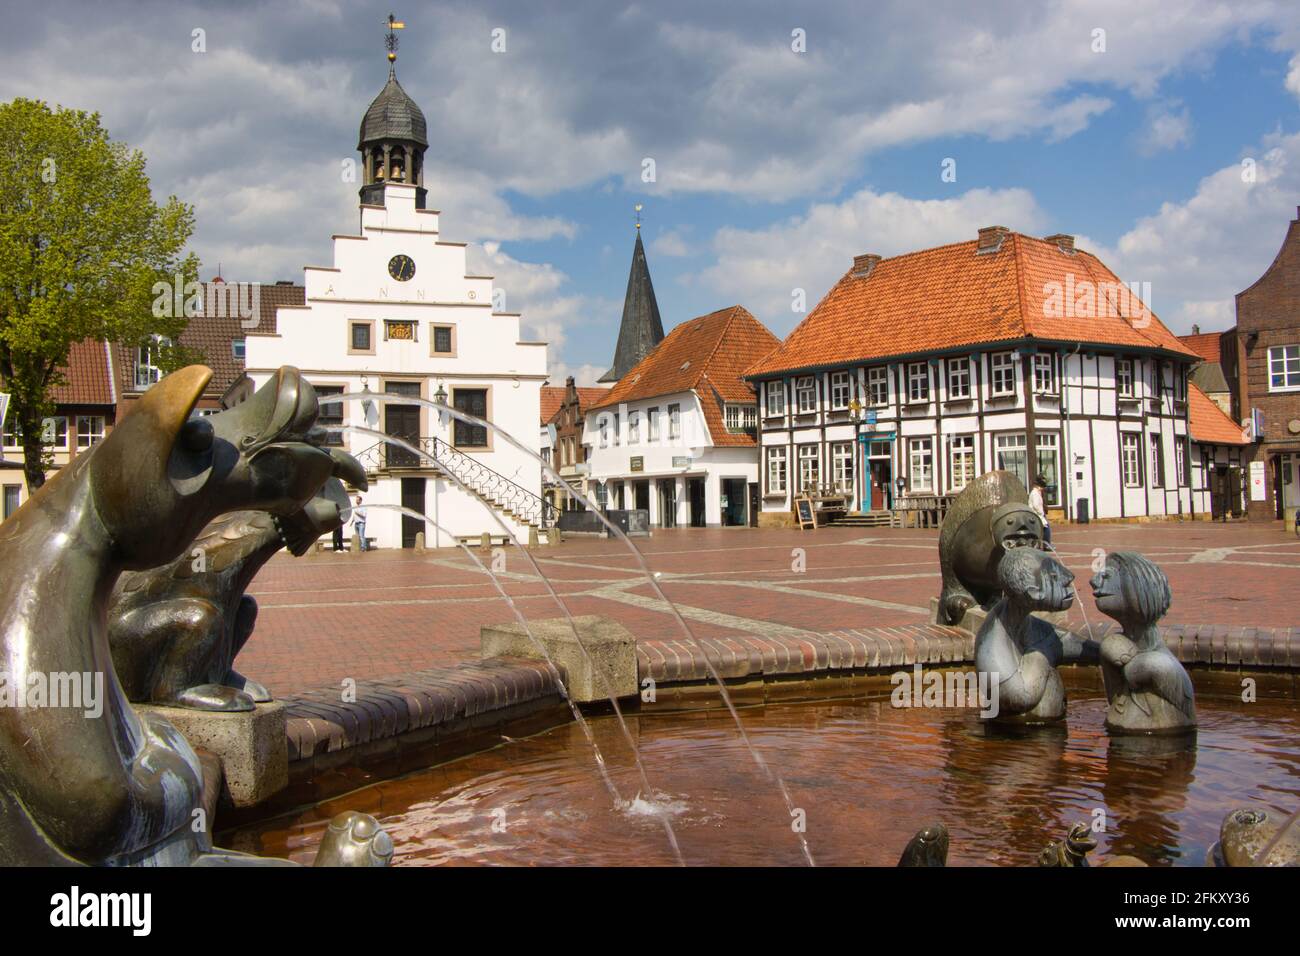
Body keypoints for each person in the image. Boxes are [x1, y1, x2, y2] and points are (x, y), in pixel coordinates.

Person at [1029, 474, 1051, 545]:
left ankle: (1045, 544)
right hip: (1037, 514)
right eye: (1042, 487)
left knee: (1044, 528)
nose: (1042, 489)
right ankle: (1046, 544)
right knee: (1046, 529)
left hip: (1039, 514)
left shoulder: (1037, 493)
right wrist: (1041, 512)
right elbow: (1036, 505)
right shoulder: (1035, 493)